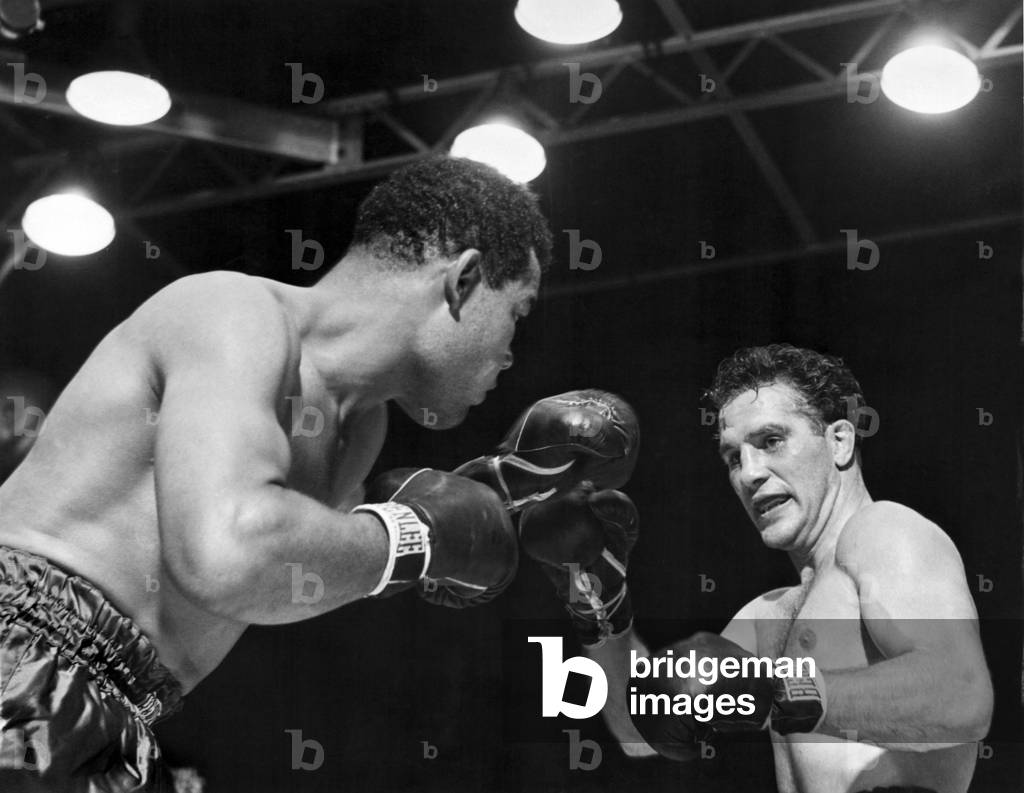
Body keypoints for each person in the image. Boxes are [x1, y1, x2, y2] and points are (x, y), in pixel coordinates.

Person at [0, 155, 564, 791]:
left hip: (123, 715)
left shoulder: (361, 428)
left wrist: (482, 518)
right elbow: (230, 555)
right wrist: (417, 539)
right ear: (463, 280)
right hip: (23, 657)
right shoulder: (234, 312)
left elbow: (287, 576)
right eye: (517, 311)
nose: (513, 351)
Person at [525, 344, 993, 793]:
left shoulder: (884, 531)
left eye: (771, 441)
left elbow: (964, 694)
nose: (749, 474)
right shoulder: (767, 615)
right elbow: (640, 729)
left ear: (840, 441)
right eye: (733, 457)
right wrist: (600, 601)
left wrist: (784, 689)